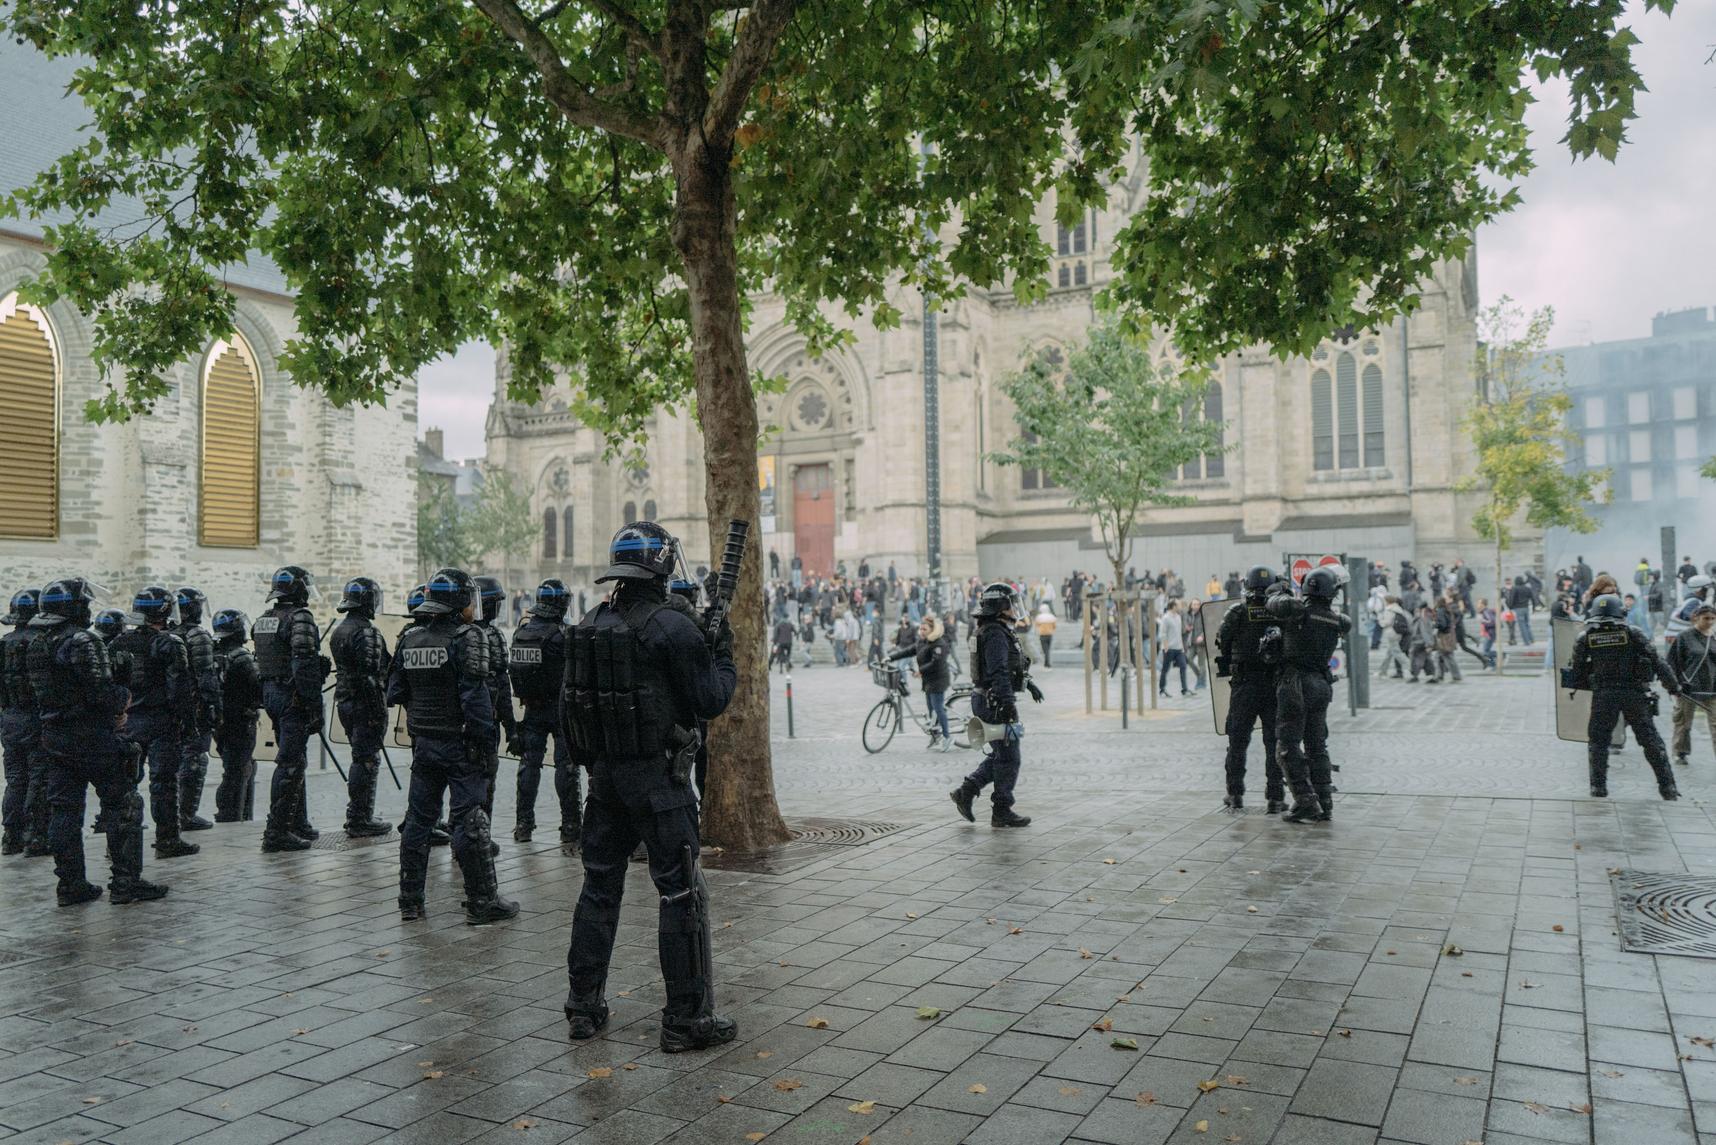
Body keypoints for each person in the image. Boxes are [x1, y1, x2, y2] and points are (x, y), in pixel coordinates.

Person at [562, 522, 738, 1052]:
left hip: (605, 781)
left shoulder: (592, 621)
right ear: (661, 567)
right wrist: (723, 653)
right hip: (660, 782)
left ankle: (583, 1007)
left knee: (598, 888)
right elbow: (710, 699)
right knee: (681, 894)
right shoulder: (672, 627)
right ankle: (687, 1021)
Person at [26, 578, 169, 906]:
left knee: (64, 810)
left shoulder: (38, 643)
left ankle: (71, 885)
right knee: (124, 803)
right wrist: (123, 698)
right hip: (91, 736)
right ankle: (125, 882)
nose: (89, 608)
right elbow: (102, 692)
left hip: (54, 735)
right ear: (74, 607)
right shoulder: (82, 641)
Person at [388, 567, 516, 924]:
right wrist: (486, 739)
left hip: (424, 743)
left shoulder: (410, 639)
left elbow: (395, 692)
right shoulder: (467, 637)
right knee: (469, 821)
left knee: (418, 822)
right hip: (460, 743)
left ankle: (410, 900)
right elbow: (475, 696)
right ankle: (482, 901)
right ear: (459, 602)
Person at [1564, 593, 1682, 800]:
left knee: (1598, 743)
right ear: (1622, 613)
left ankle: (1598, 788)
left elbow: (1577, 672)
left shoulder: (1586, 638)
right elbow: (1657, 662)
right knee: (1651, 741)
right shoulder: (1633, 634)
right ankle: (1668, 788)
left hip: (1604, 695)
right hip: (1633, 694)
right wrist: (1673, 687)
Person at [112, 587, 198, 859]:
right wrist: (189, 722)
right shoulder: (169, 643)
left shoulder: (117, 643)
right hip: (160, 721)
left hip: (127, 722)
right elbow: (179, 689)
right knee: (163, 783)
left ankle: (119, 845)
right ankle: (167, 840)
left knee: (124, 786)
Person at [949, 582, 1040, 828]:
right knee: (1010, 757)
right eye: (1011, 603)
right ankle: (1000, 809)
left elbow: (1007, 668)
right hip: (995, 700)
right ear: (1000, 606)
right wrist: (1008, 704)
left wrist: (1027, 684)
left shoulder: (992, 629)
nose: (1015, 608)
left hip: (989, 698)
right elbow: (998, 671)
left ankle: (967, 792)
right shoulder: (995, 633)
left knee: (1003, 754)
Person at [1268, 567, 1351, 822]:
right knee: (1317, 745)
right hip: (1321, 684)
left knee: (1287, 745)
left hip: (1295, 683)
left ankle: (1305, 801)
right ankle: (1325, 802)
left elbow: (1274, 604)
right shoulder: (1339, 620)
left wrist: (1280, 590)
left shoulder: (1298, 611)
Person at [253, 566, 325, 852]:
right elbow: (303, 663)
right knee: (290, 762)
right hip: (291, 694)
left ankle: (297, 822)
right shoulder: (300, 617)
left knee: (295, 757)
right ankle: (277, 831)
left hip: (270, 692)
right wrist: (314, 704)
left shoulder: (263, 619)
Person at [509, 578, 581, 850]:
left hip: (532, 708)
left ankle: (524, 825)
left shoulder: (522, 632)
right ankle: (571, 828)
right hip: (560, 710)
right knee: (566, 767)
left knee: (529, 766)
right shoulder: (561, 635)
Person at [1214, 566, 1286, 814]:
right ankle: (1276, 798)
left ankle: (1234, 794)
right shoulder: (1279, 612)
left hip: (1244, 686)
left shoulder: (1238, 611)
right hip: (1273, 686)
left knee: (1237, 742)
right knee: (1274, 742)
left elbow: (1221, 641)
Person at [330, 577, 394, 838]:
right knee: (366, 760)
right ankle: (360, 817)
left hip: (345, 700)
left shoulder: (339, 630)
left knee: (361, 757)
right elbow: (369, 675)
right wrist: (379, 708)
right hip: (363, 703)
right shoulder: (366, 632)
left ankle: (358, 814)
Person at [170, 587, 222, 832]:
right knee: (195, 759)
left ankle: (173, 814)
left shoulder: (168, 633)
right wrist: (213, 706)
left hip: (172, 707)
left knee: (173, 762)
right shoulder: (197, 635)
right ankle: (186, 814)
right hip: (194, 706)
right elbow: (205, 676)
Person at [1, 590, 47, 856]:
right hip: (35, 718)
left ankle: (10, 836)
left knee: (16, 779)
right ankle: (35, 834)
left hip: (9, 718)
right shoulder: (41, 643)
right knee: (38, 778)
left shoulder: (3, 643)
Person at [210, 609, 262, 823]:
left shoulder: (214, 653)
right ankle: (231, 814)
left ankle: (238, 813)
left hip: (221, 721)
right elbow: (257, 688)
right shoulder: (241, 657)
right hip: (240, 720)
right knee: (237, 771)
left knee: (237, 767)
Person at [472, 576, 517, 821]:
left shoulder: (456, 631)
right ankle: (479, 835)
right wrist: (511, 728)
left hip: (460, 724)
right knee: (486, 777)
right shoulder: (492, 635)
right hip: (487, 723)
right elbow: (502, 686)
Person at [1667, 602, 1716, 767]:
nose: (1709, 622)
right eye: (1706, 618)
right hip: (1689, 687)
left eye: (1712, 618)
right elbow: (1672, 662)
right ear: (1696, 618)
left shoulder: (1715, 637)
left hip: (1712, 687)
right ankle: (1680, 752)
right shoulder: (1684, 637)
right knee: (1684, 723)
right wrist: (1676, 684)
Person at [1157, 600, 1190, 697]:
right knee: (1165, 669)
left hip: (1179, 648)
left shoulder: (1178, 617)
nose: (1180, 606)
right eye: (1178, 605)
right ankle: (1162, 689)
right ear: (1174, 606)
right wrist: (1166, 646)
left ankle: (1184, 689)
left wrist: (1182, 647)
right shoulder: (1166, 618)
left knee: (1183, 666)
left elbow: (1179, 634)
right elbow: (1162, 633)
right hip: (1169, 648)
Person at [1035, 603, 1056, 668]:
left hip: (1042, 635)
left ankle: (1046, 663)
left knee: (1045, 650)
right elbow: (1054, 626)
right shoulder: (1052, 617)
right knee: (1047, 649)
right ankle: (1047, 663)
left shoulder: (1039, 617)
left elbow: (1037, 625)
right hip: (1050, 634)